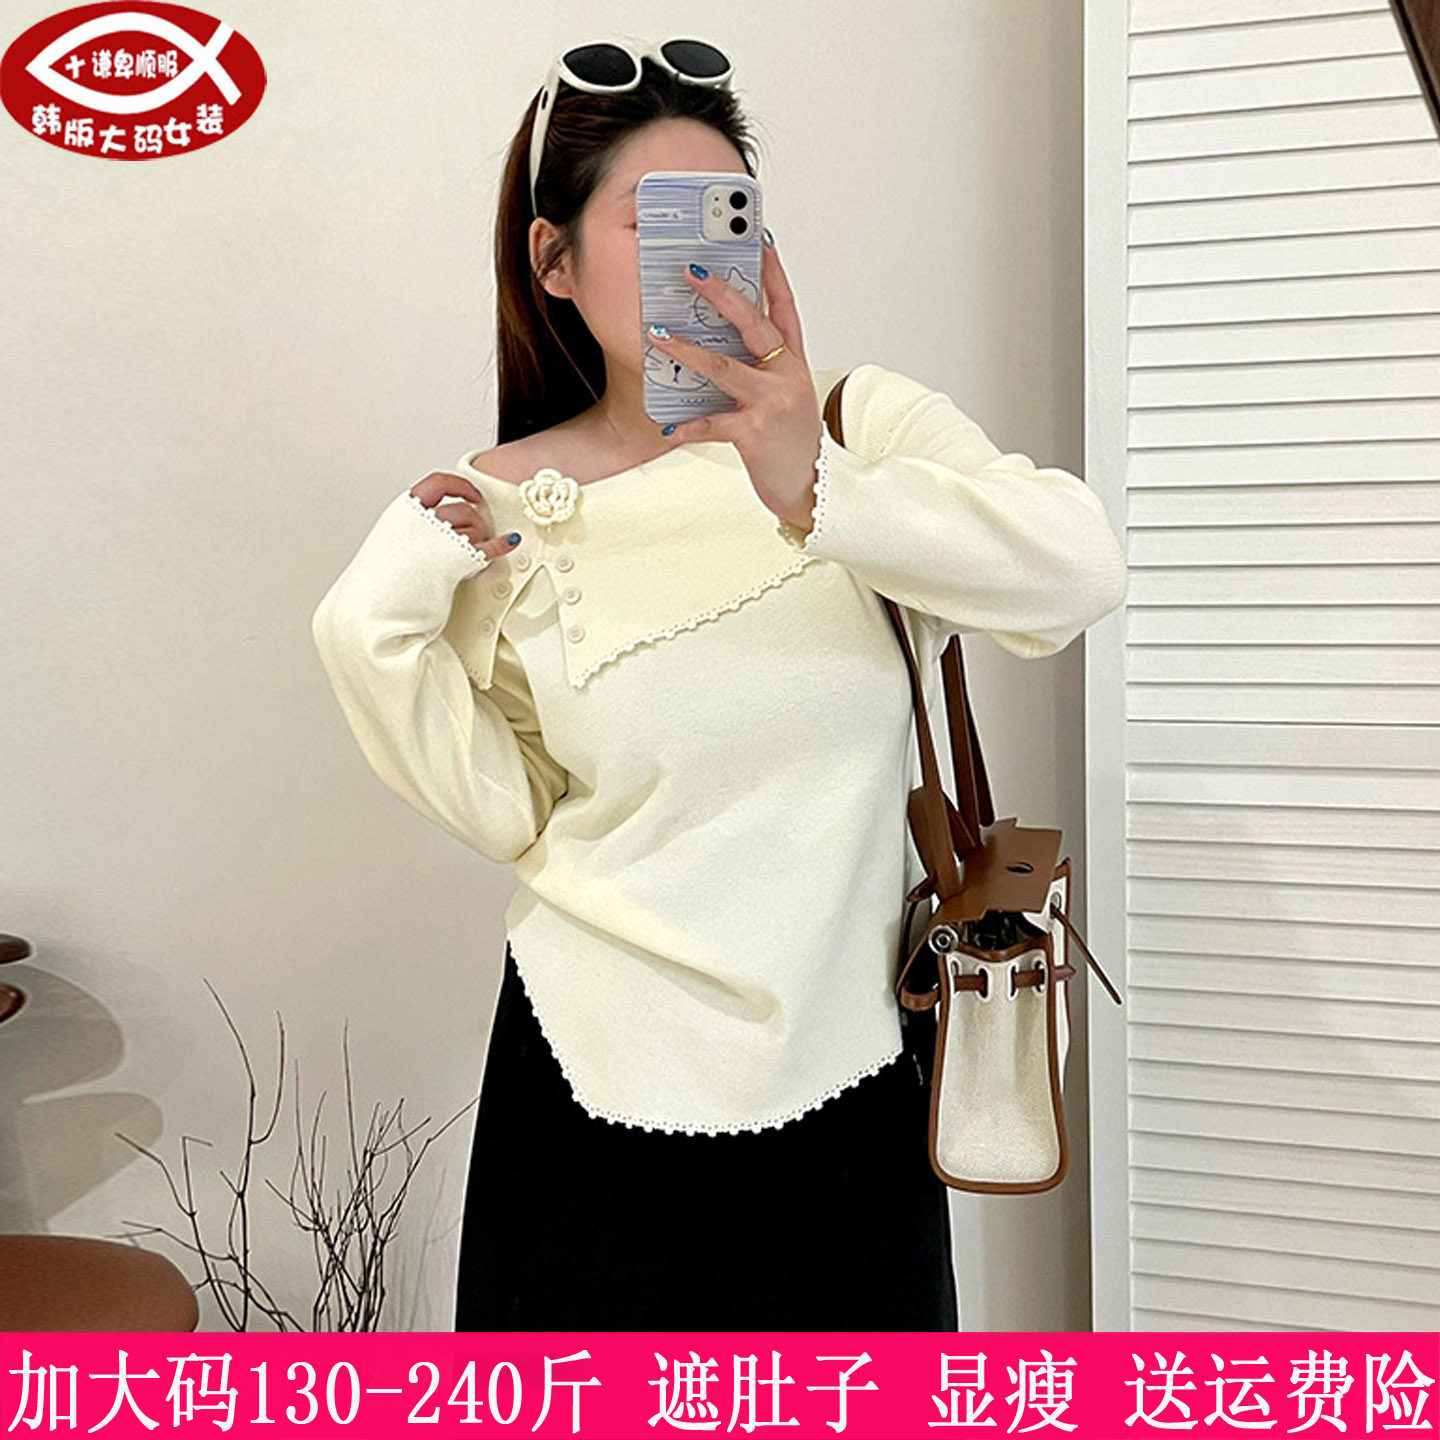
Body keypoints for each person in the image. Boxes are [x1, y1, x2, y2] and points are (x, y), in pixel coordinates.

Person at [310, 36, 1129, 1332]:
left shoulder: (864, 428)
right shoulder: (500, 507)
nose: (700, 262)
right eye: (655, 224)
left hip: (852, 1097)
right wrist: (370, 618)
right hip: (586, 1103)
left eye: (728, 218)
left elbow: (1076, 573)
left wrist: (815, 483)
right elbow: (507, 812)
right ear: (553, 262)